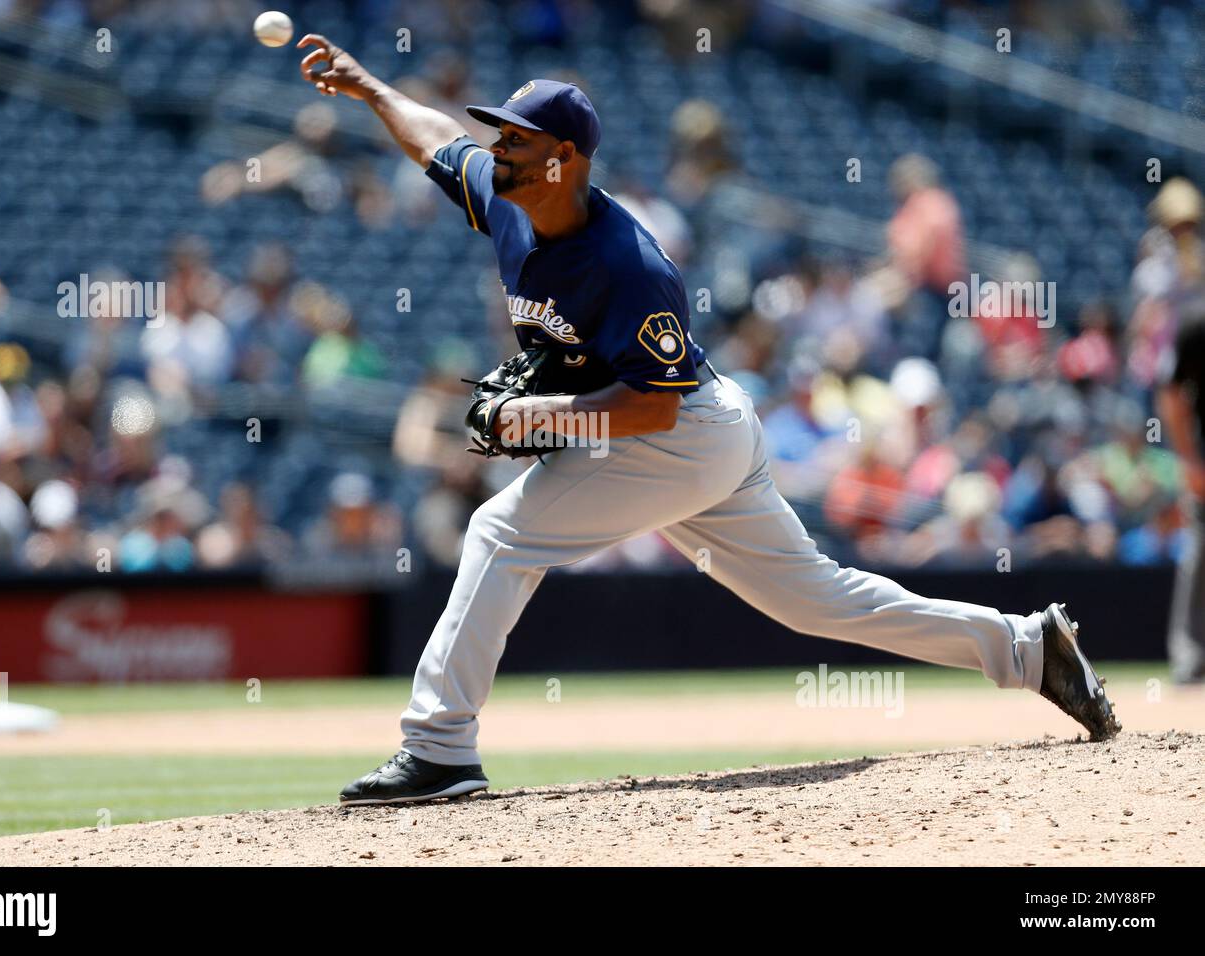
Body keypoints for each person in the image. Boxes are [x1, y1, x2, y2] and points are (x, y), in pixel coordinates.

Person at [294, 34, 1121, 806]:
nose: (498, 147)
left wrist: (536, 416)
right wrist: (369, 88)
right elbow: (436, 137)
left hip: (678, 430)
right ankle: (1025, 647)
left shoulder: (629, 263)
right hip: (701, 431)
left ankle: (439, 746)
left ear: (566, 158)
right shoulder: (509, 198)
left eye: (516, 137)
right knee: (817, 601)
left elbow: (650, 403)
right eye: (500, 135)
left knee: (499, 534)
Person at [1154, 297, 1205, 683]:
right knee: (1199, 552)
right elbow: (1170, 394)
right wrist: (1189, 461)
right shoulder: (1195, 323)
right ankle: (1189, 655)